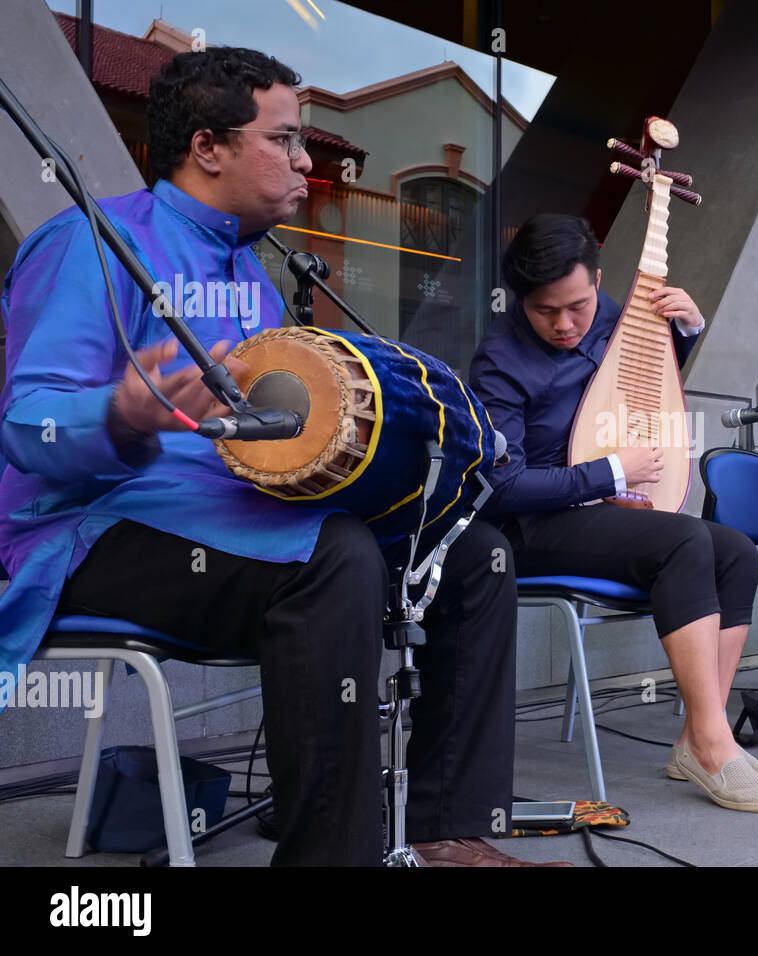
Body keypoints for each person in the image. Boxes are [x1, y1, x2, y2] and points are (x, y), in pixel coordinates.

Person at [0, 47, 553, 867]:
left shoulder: (253, 270)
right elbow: (26, 425)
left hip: (237, 517)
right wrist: (120, 415)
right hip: (92, 532)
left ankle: (447, 830)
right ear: (208, 146)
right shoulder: (92, 242)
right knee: (337, 558)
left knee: (474, 555)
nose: (306, 162)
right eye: (287, 140)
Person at [469, 214, 758, 814]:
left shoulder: (618, 318)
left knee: (737, 551)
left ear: (597, 277)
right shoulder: (499, 360)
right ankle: (714, 747)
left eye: (577, 305)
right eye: (545, 311)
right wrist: (613, 471)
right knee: (684, 542)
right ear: (520, 302)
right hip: (533, 524)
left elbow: (646, 380)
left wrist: (689, 329)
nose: (564, 324)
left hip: (601, 511)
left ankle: (702, 735)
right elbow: (502, 482)